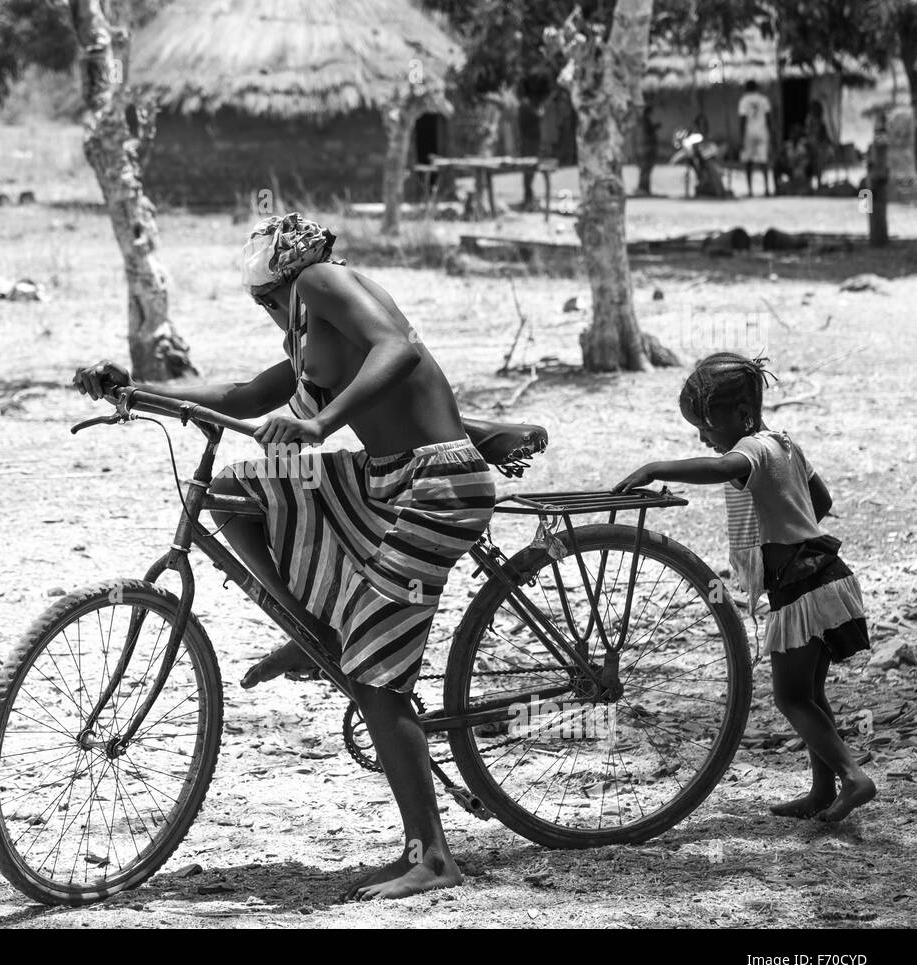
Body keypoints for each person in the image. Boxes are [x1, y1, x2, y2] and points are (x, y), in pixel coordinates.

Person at [74, 212, 545, 899]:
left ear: (291, 278)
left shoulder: (323, 282)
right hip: (388, 480)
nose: (269, 312)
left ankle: (433, 857)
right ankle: (314, 631)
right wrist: (137, 393)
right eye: (261, 304)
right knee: (237, 491)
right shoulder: (308, 337)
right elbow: (240, 397)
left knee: (378, 682)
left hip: (434, 486)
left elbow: (401, 348)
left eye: (271, 299)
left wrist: (320, 421)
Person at [612, 353, 874, 823]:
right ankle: (821, 790)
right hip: (825, 574)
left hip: (801, 590)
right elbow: (824, 499)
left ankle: (854, 776)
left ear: (741, 416)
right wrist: (790, 517)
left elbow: (721, 468)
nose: (702, 437)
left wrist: (655, 468)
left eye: (706, 426)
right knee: (810, 694)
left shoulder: (752, 449)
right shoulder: (784, 443)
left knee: (790, 698)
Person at [737, 81, 774, 197]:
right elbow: (768, 118)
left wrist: (741, 136)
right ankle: (767, 188)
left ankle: (750, 190)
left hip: (749, 133)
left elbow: (743, 119)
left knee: (748, 161)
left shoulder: (744, 100)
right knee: (763, 161)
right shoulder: (764, 99)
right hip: (763, 132)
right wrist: (771, 133)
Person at [635, 102, 660, 196]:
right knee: (645, 169)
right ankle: (643, 188)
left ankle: (644, 188)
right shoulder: (645, 121)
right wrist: (655, 127)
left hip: (645, 148)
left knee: (646, 170)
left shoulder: (644, 120)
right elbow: (648, 132)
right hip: (647, 148)